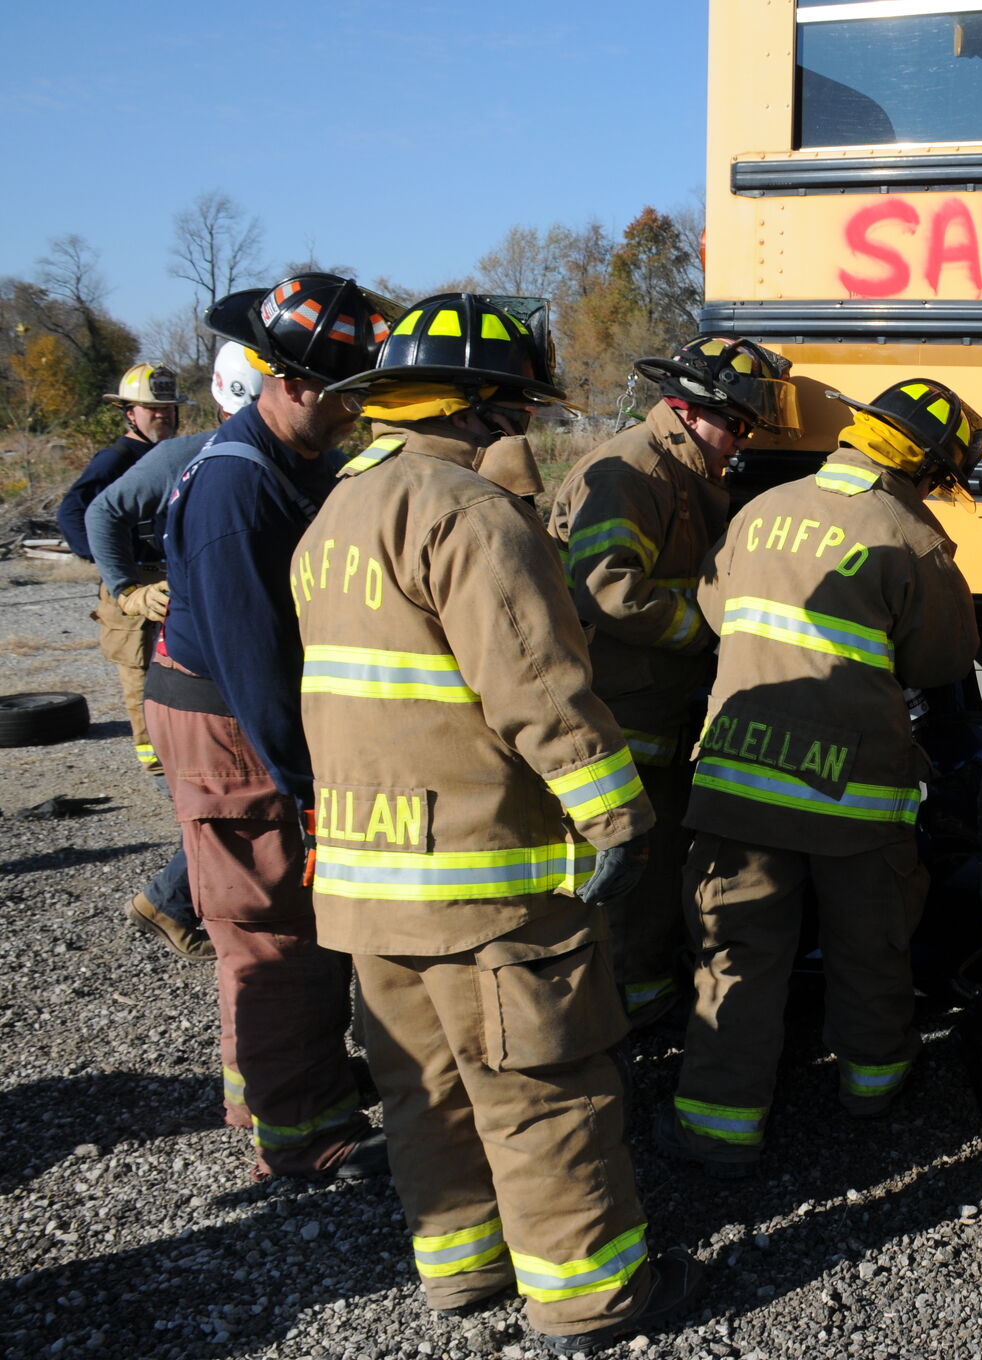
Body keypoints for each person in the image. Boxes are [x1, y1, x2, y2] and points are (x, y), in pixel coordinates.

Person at [299, 292, 702, 1352]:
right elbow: (537, 684)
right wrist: (616, 815)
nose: (518, 429)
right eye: (512, 407)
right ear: (479, 406)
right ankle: (589, 1297)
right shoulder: (466, 513)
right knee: (541, 1087)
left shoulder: (334, 512)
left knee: (422, 1089)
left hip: (367, 875)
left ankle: (463, 1269)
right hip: (482, 876)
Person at [667, 376, 982, 1175]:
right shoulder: (910, 535)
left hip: (736, 781)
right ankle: (872, 1090)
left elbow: (711, 607)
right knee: (869, 946)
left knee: (735, 954)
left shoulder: (761, 508)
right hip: (852, 795)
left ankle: (718, 1131)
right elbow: (942, 659)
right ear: (930, 468)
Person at [147, 272, 395, 1181]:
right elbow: (259, 665)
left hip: (237, 715)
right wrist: (310, 785)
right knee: (277, 923)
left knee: (268, 924)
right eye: (343, 397)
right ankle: (304, 1132)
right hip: (231, 727)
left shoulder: (285, 464)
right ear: (290, 384)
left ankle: (267, 1089)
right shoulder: (235, 494)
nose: (353, 413)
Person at [549, 335, 797, 1029]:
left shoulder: (686, 472)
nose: (741, 444)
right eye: (736, 425)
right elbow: (606, 587)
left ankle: (642, 1001)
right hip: (619, 713)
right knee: (629, 877)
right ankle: (616, 1023)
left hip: (659, 710)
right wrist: (713, 626)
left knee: (655, 876)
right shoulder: (632, 472)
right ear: (688, 411)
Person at [87, 343, 268, 962]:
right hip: (177, 654)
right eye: (149, 409)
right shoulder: (176, 458)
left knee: (227, 801)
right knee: (210, 799)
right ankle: (177, 901)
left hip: (218, 649)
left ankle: (174, 899)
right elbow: (98, 512)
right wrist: (128, 587)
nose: (161, 416)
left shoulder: (288, 459)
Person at [59, 361, 189, 776]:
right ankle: (153, 760)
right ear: (129, 413)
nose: (162, 415)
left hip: (170, 576)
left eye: (168, 408)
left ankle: (179, 750)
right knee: (138, 672)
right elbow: (75, 512)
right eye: (152, 409)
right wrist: (113, 564)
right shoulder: (115, 459)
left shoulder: (172, 455)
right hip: (133, 583)